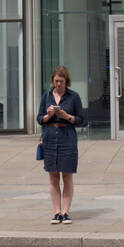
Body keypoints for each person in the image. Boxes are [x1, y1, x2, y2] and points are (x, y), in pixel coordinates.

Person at [37, 65, 86, 224]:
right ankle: (56, 212)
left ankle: (66, 212)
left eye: (62, 82)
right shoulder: (46, 96)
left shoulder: (74, 97)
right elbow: (39, 119)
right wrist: (48, 115)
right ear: (52, 81)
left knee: (67, 176)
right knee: (53, 176)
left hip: (67, 137)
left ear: (66, 82)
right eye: (56, 81)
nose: (58, 84)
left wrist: (66, 116)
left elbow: (81, 120)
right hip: (50, 137)